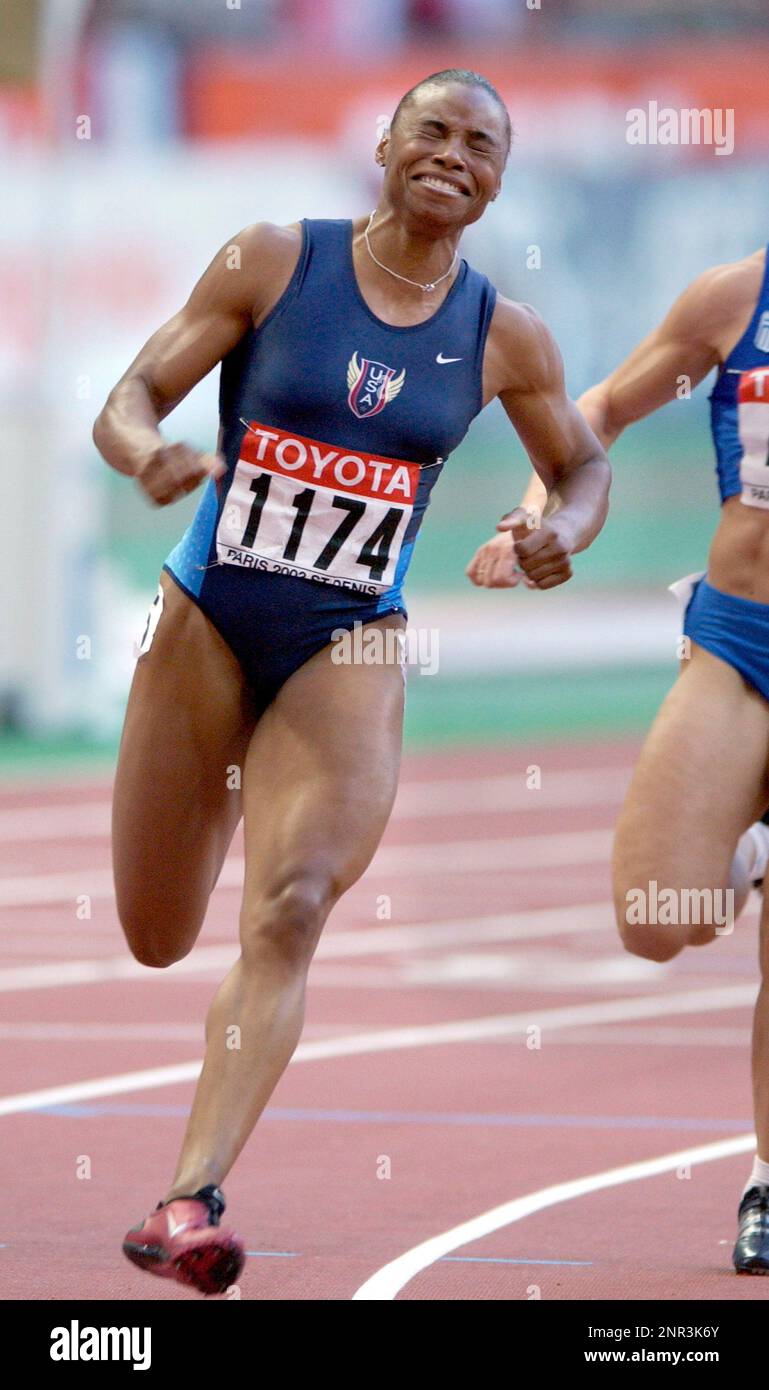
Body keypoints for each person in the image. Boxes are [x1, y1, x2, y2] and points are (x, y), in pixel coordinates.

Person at [93, 69, 610, 1295]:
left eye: (480, 144)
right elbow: (130, 394)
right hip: (209, 611)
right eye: (430, 128)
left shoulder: (504, 334)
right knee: (157, 933)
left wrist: (558, 534)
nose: (451, 153)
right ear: (383, 144)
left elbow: (580, 471)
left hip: (352, 637)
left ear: (496, 182)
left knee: (292, 905)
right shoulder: (274, 259)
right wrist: (148, 454)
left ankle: (189, 1197)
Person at [468, 245, 769, 1274]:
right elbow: (596, 408)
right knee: (654, 921)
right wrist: (535, 513)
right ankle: (751, 856)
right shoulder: (738, 297)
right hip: (740, 637)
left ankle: (765, 1177)